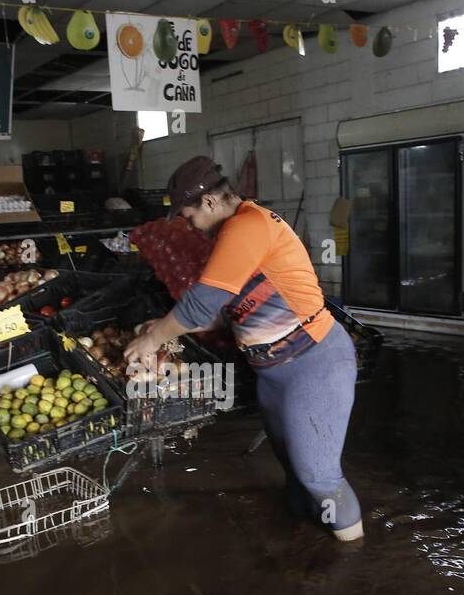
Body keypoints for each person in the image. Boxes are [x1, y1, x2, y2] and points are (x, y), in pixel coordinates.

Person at [125, 156, 363, 541]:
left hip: (313, 362)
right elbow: (223, 313)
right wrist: (166, 329)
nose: (188, 226)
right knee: (293, 466)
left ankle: (357, 568)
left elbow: (201, 303)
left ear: (209, 203)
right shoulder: (231, 235)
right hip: (273, 371)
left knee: (319, 475)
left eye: (187, 217)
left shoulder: (248, 226)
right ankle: (304, 545)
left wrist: (153, 339)